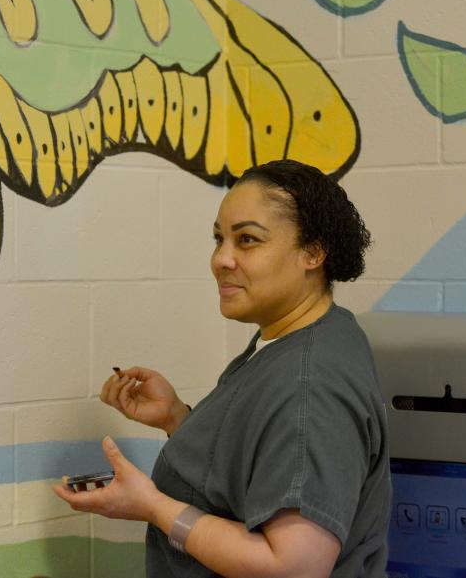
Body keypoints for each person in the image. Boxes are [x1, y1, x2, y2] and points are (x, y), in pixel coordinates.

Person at [53, 160, 391, 577]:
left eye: (247, 240)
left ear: (313, 252)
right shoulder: (302, 336)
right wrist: (178, 418)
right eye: (219, 239)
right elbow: (254, 469)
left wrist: (153, 506)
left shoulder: (310, 386)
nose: (221, 259)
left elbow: (293, 567)